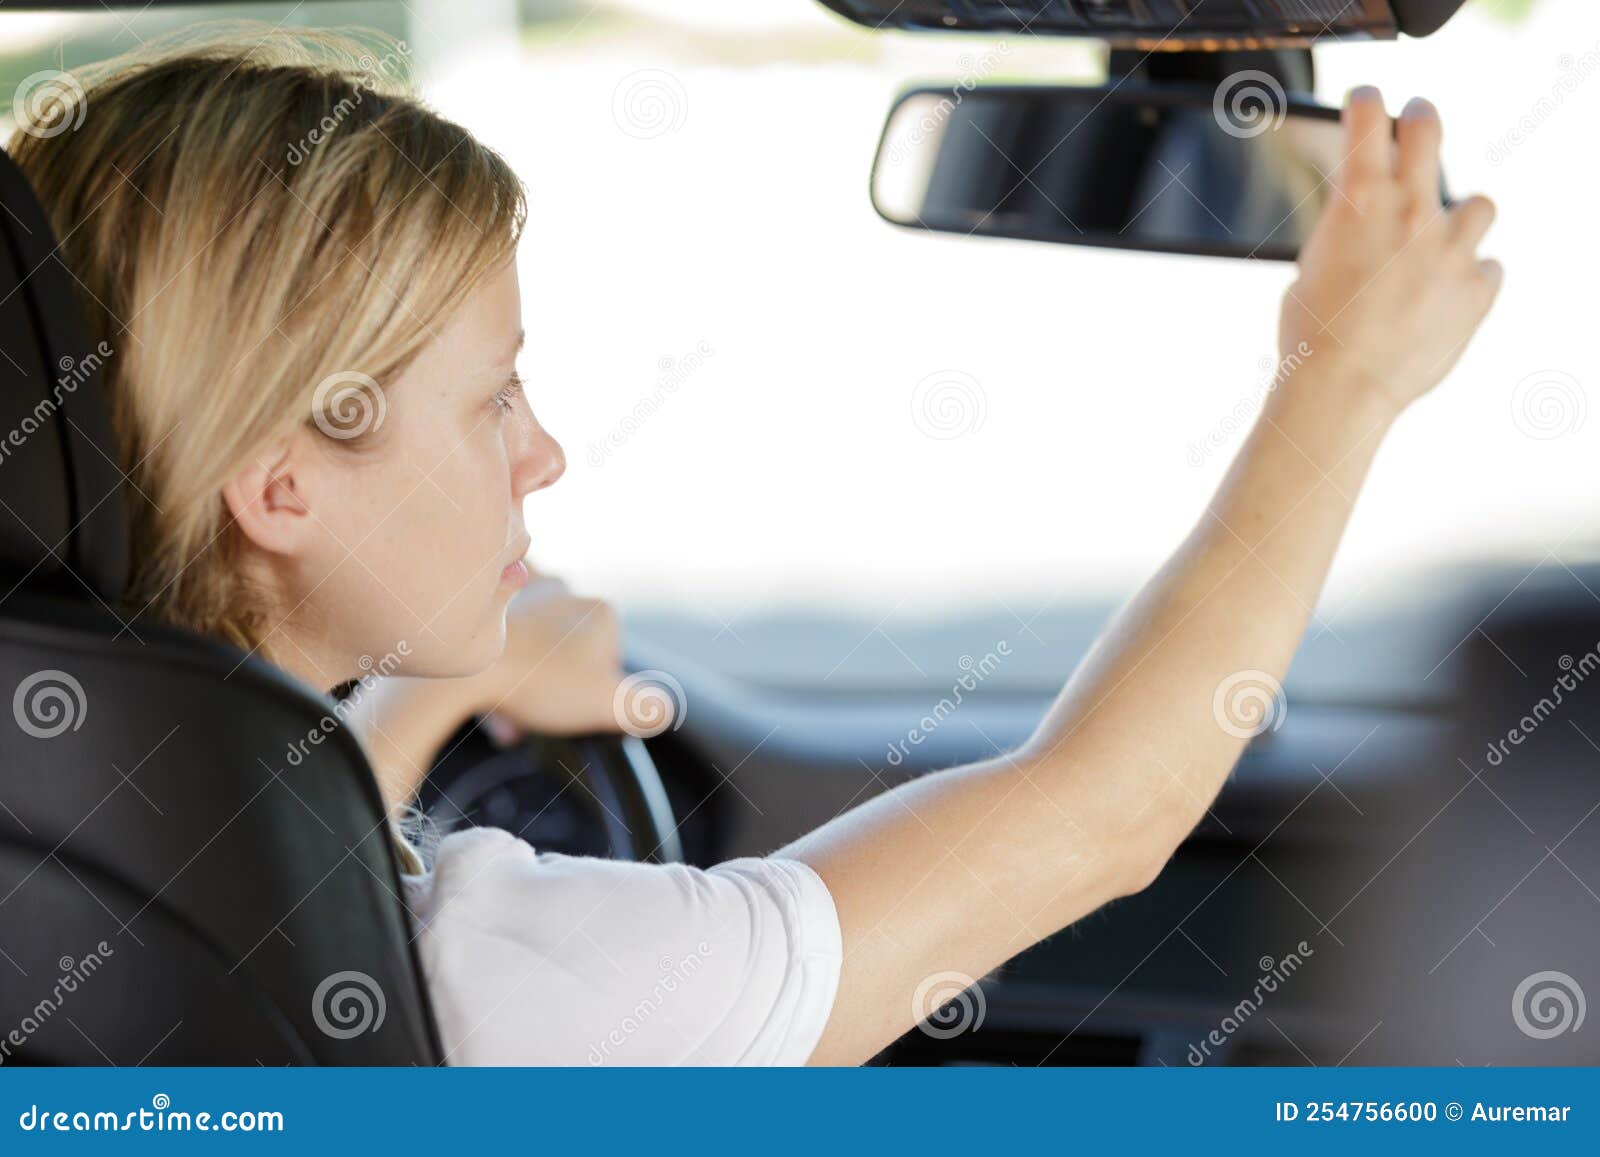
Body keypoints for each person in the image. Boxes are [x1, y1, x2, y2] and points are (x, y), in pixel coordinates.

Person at [6, 26, 1501, 1066]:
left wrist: (423, 701)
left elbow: (274, 897)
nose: (544, 452)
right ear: (282, 489)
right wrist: (1345, 375)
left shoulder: (84, 871)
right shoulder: (515, 986)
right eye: (492, 398)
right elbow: (1103, 815)